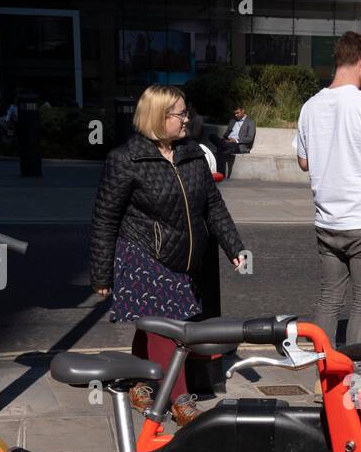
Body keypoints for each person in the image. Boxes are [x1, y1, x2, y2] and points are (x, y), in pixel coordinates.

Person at [89, 84, 247, 426]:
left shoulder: (191, 154)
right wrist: (101, 273)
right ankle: (179, 400)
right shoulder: (125, 160)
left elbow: (213, 205)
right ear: (159, 117)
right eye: (180, 113)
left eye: (186, 112)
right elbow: (105, 217)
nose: (186, 118)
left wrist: (234, 246)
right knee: (170, 325)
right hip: (143, 252)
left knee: (153, 326)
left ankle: (138, 382)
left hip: (183, 254)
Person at [295, 31, 361, 346]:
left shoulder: (310, 107)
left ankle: (324, 379)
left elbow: (303, 162)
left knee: (329, 299)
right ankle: (351, 382)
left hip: (328, 221)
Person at [216, 105, 256, 177]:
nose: (236, 115)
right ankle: (226, 146)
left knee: (220, 149)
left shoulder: (250, 122)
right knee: (212, 137)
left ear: (243, 111)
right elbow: (226, 133)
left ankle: (220, 175)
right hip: (228, 142)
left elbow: (250, 138)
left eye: (237, 113)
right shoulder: (232, 121)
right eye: (235, 113)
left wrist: (236, 140)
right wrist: (227, 138)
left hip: (239, 145)